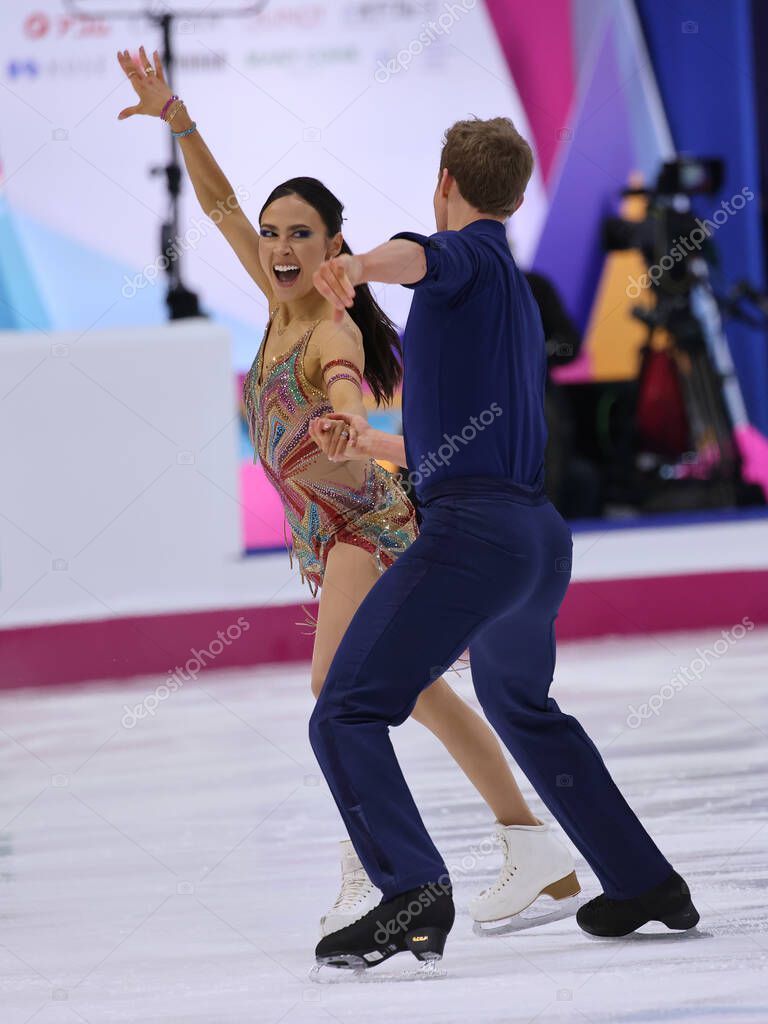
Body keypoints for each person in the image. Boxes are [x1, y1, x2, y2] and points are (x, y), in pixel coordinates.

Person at [115, 48, 580, 937]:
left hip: (369, 523)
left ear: (335, 246)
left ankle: (381, 871)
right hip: (331, 536)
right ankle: (531, 842)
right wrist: (178, 118)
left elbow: (344, 381)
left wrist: (341, 415)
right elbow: (214, 204)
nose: (280, 246)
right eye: (272, 232)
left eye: (301, 234)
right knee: (415, 692)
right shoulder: (275, 302)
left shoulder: (329, 323)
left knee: (338, 688)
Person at [308, 115, 699, 971]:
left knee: (344, 710)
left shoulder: (470, 258)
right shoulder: (511, 289)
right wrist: (368, 442)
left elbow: (424, 254)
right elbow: (453, 447)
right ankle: (642, 881)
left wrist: (359, 263)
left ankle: (410, 889)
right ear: (521, 195)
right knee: (522, 706)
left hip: (475, 537)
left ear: (445, 180)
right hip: (532, 537)